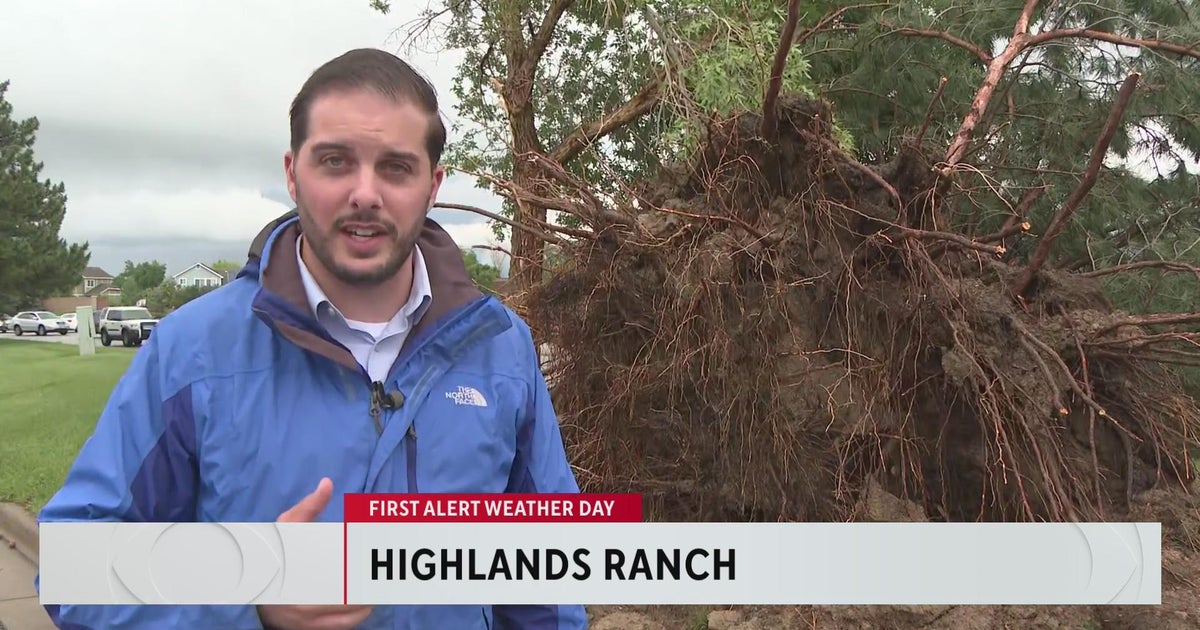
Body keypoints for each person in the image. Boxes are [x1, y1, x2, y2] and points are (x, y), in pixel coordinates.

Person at [37, 48, 589, 630]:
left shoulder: (501, 347)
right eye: (335, 162)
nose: (365, 194)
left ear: (433, 186)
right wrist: (246, 595)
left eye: (396, 167)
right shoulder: (193, 350)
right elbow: (74, 564)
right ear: (292, 174)